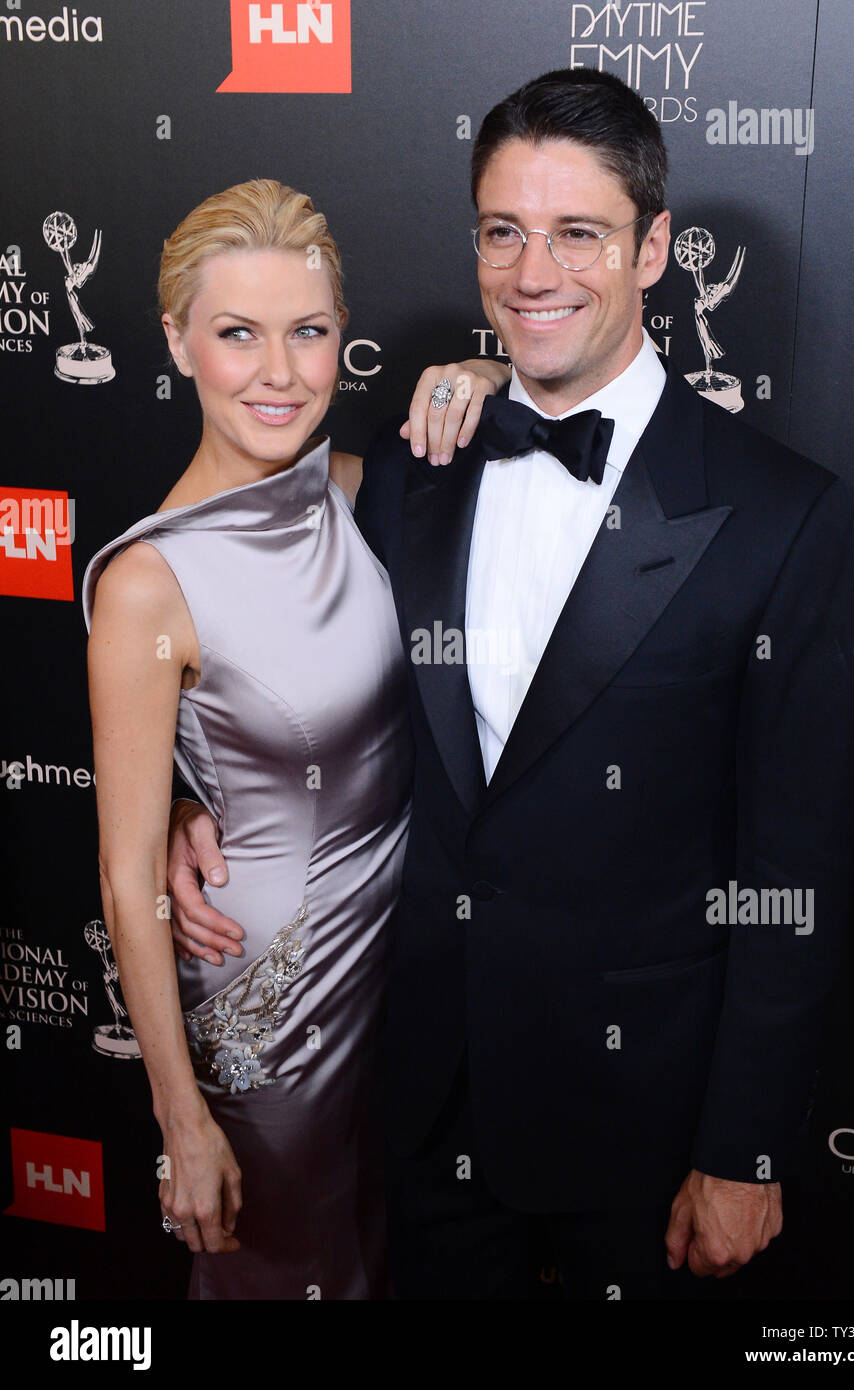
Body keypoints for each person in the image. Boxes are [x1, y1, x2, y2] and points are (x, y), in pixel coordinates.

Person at [168, 72, 854, 1299]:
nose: (533, 271)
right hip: (421, 1093)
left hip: (644, 1126)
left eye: (578, 234)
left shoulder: (782, 515)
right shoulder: (415, 464)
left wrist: (744, 1149)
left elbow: (794, 872)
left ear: (653, 248)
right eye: (504, 231)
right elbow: (267, 636)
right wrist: (195, 799)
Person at [82, 178, 507, 1300]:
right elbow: (130, 879)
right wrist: (181, 1119)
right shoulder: (146, 581)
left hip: (396, 989)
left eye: (308, 332)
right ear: (177, 341)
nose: (279, 372)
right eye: (237, 334)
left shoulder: (356, 494)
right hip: (268, 1014)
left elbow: (556, 403)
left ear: (340, 343)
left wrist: (487, 373)